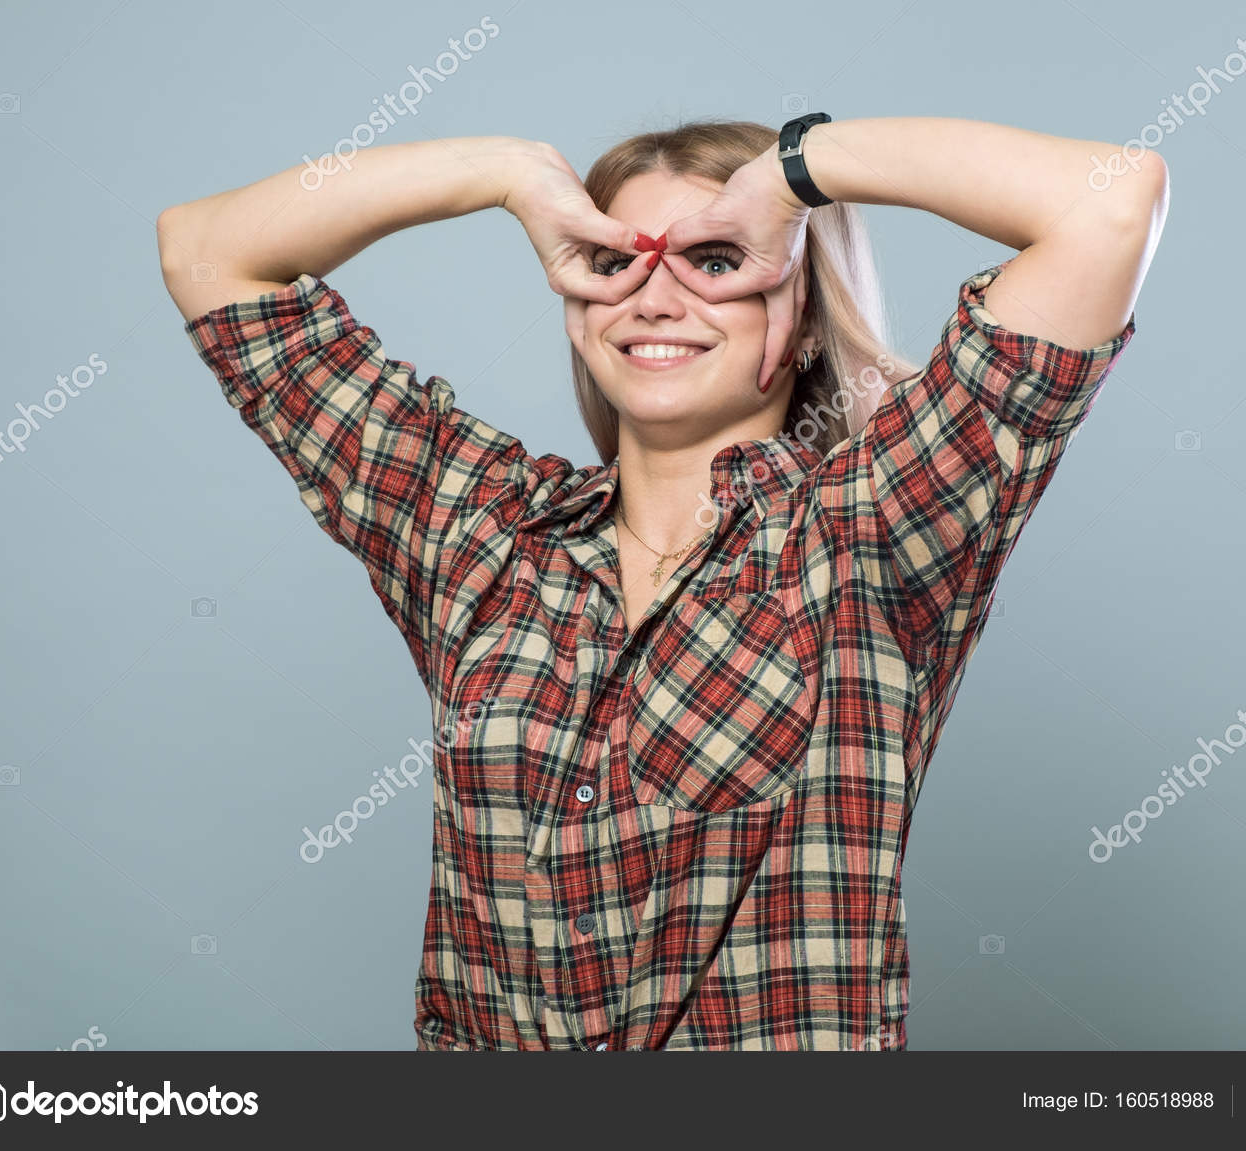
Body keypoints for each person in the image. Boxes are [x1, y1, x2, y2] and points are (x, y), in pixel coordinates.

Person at [155, 115, 1168, 1051]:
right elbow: (207, 249)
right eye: (609, 263)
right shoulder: (478, 533)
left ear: (808, 317)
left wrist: (795, 172)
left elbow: (1109, 201)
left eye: (716, 260)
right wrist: (503, 173)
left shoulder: (876, 528)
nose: (652, 297)